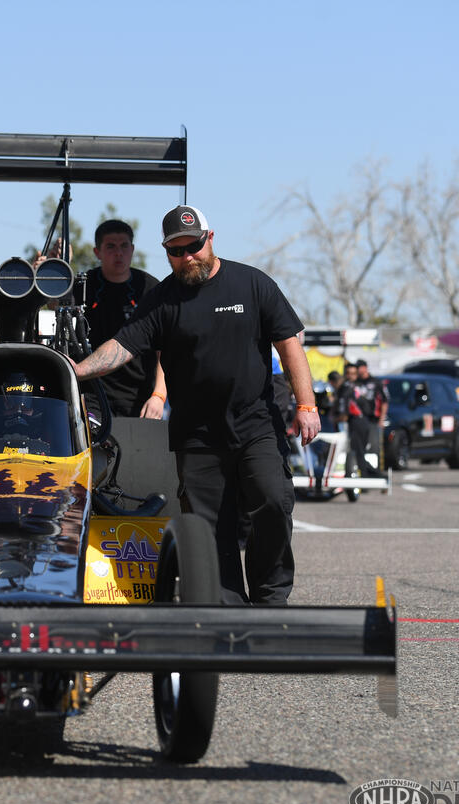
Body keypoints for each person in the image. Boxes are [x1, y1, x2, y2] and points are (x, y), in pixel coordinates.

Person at [73, 205, 319, 606]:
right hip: (197, 434)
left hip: (256, 424)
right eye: (176, 250)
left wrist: (306, 404)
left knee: (273, 501)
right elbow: (123, 345)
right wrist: (80, 369)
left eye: (194, 245)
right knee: (209, 530)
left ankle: (270, 598)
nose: (188, 256)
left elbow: (289, 341)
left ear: (211, 238)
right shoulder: (162, 299)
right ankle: (226, 609)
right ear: (166, 252)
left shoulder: (252, 284)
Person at [73, 220, 167, 418]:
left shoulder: (150, 288)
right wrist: (54, 273)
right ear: (97, 252)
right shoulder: (83, 285)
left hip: (139, 396)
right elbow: (55, 305)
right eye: (111, 247)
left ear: (132, 249)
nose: (119, 253)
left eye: (124, 246)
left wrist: (159, 396)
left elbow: (165, 350)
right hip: (92, 392)